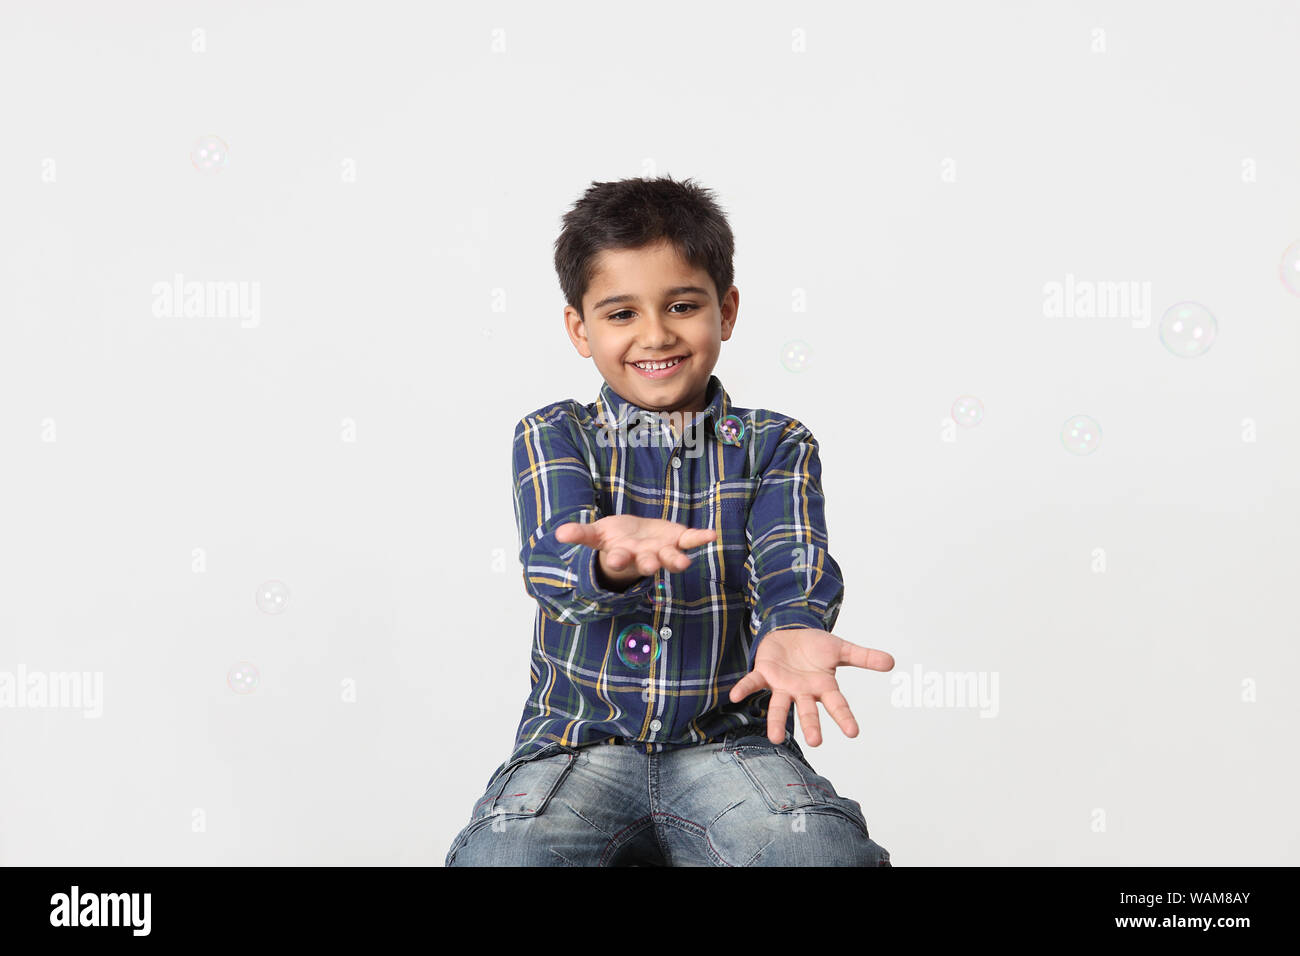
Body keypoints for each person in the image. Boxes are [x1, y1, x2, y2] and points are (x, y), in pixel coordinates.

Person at [445, 176, 894, 866]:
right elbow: (550, 567)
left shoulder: (776, 443)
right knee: (506, 855)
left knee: (820, 853)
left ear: (727, 310)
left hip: (729, 745)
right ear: (580, 328)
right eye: (621, 314)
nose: (656, 334)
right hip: (578, 746)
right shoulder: (556, 433)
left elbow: (791, 563)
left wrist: (796, 625)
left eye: (682, 305)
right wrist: (605, 563)